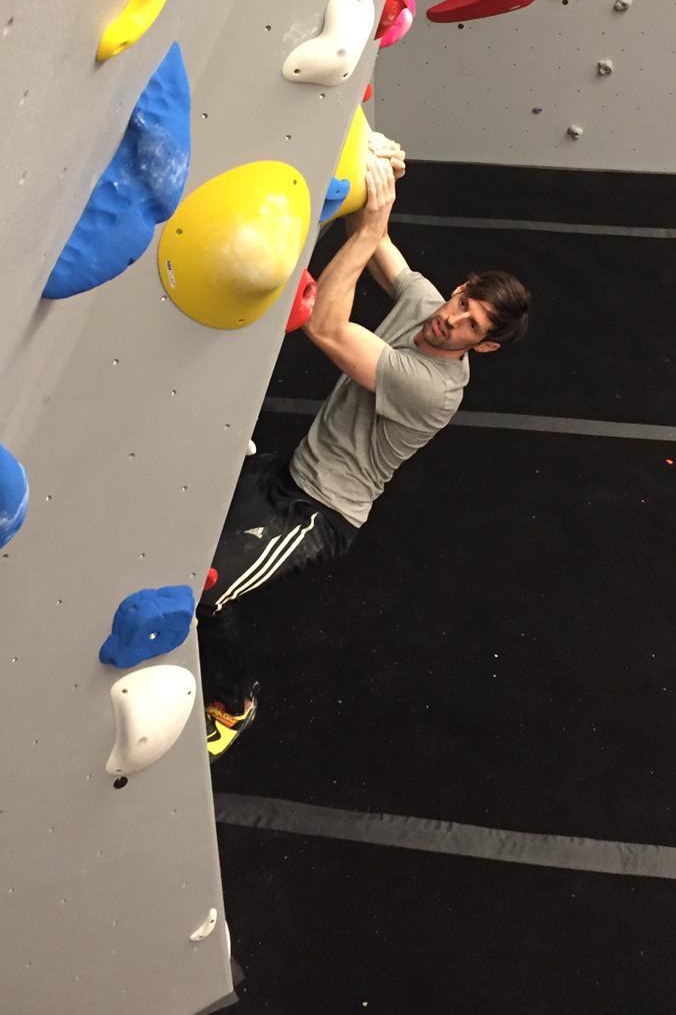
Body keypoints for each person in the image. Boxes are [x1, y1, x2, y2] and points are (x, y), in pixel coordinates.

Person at [197, 131, 530, 757]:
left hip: (319, 513)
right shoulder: (427, 303)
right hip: (286, 469)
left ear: (484, 346)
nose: (450, 320)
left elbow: (326, 326)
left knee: (207, 592)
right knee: (182, 529)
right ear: (459, 289)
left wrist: (368, 231)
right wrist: (368, 164)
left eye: (472, 327)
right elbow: (377, 233)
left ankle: (232, 703)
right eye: (462, 302)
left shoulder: (435, 388)